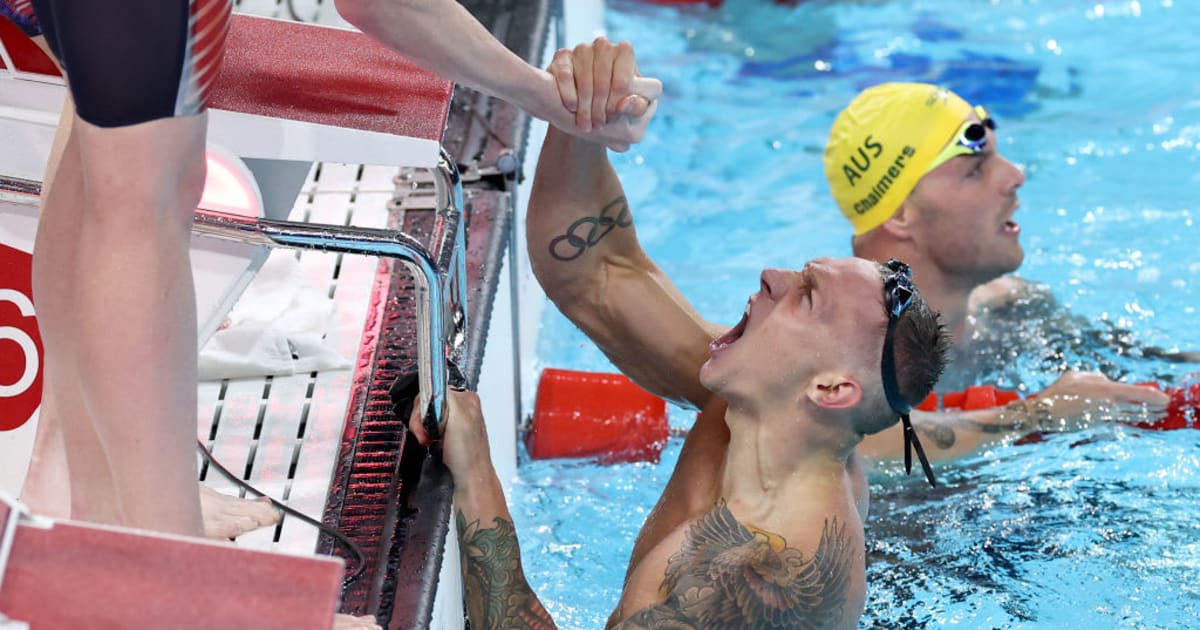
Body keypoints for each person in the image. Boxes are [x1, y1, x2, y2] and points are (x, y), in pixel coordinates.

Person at [514, 45, 952, 625]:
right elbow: (597, 274)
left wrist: (474, 479)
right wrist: (583, 116)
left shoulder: (758, 576)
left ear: (829, 389)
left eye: (806, 294)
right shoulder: (762, 403)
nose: (770, 275)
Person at [823, 82, 1179, 462]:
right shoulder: (828, 355)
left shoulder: (1017, 306)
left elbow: (1153, 369)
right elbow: (844, 447)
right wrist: (1037, 415)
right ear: (899, 215)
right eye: (975, 170)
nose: (1015, 175)